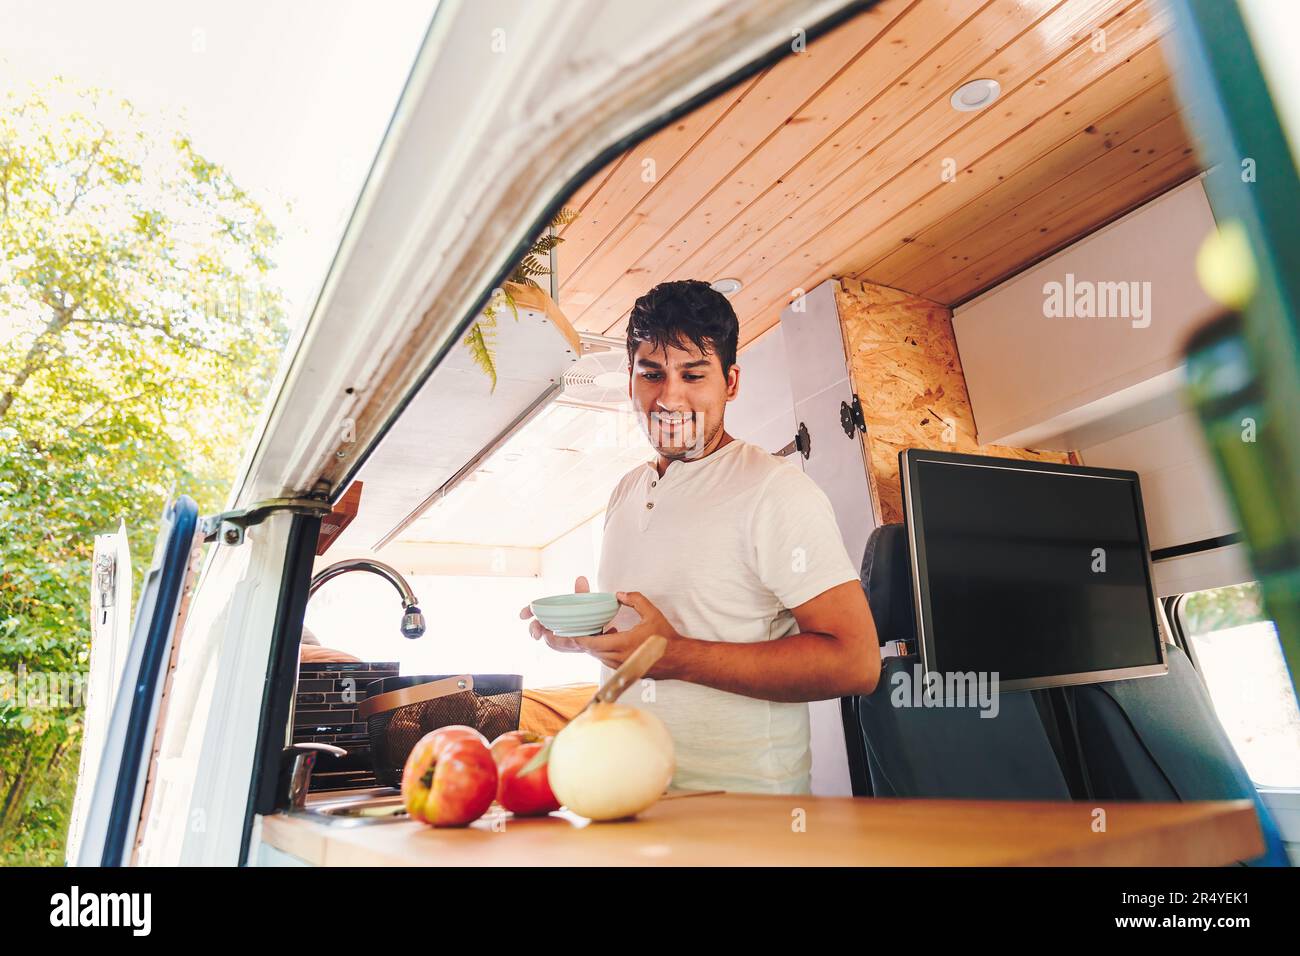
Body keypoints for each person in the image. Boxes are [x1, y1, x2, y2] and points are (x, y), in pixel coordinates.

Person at [521, 279, 879, 794]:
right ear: (629, 381)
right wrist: (591, 638)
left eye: (693, 374)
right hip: (631, 802)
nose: (669, 397)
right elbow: (653, 637)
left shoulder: (774, 490)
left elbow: (856, 662)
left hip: (746, 821)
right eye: (652, 374)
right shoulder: (625, 492)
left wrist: (677, 656)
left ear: (731, 383)